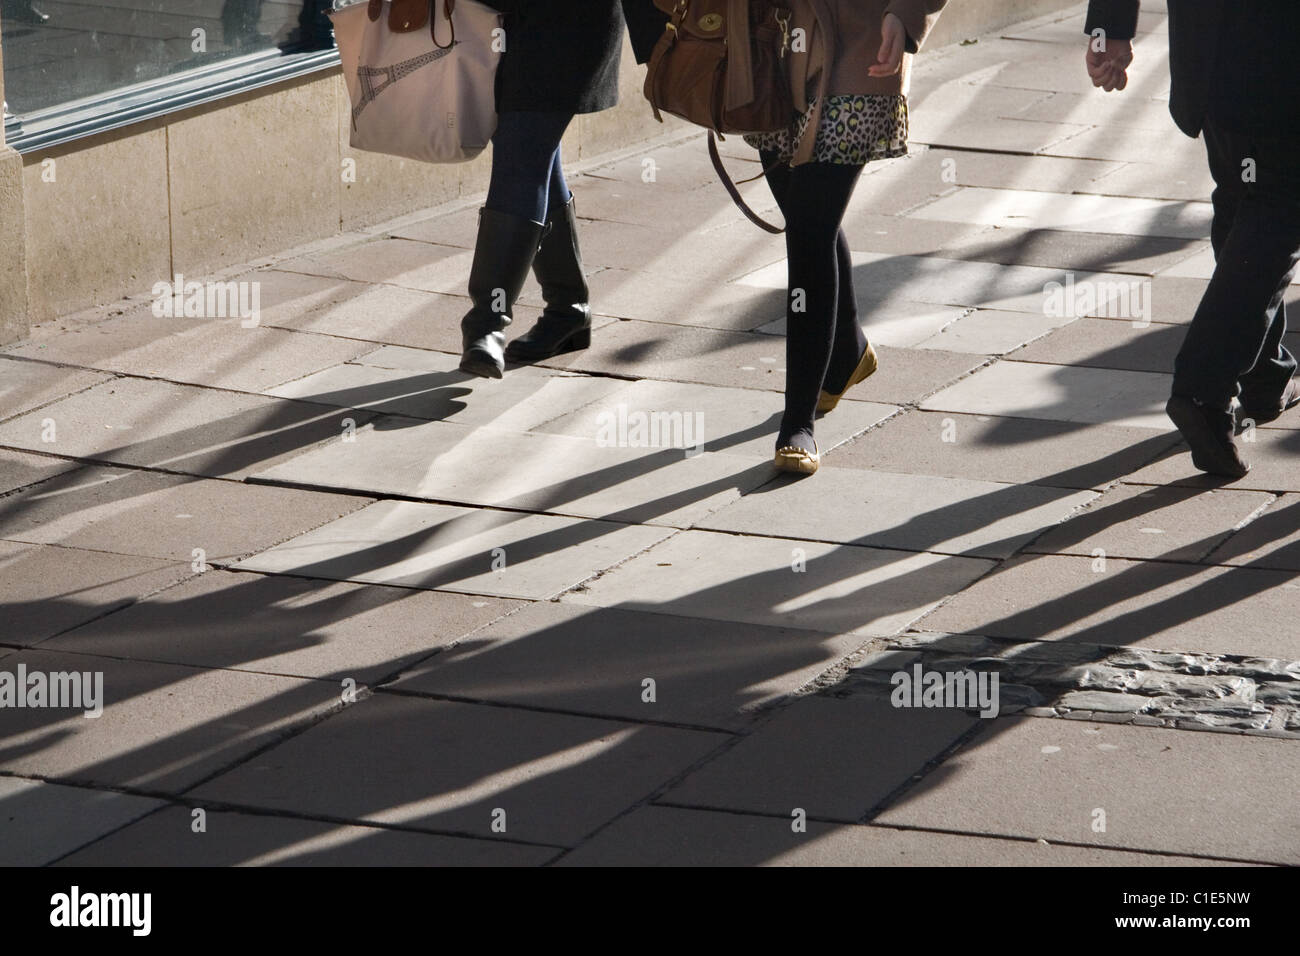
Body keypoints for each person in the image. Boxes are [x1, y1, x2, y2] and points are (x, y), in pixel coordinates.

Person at [1085, 0, 1300, 478]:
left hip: (1213, 57)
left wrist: (1109, 29)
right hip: (1280, 56)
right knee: (1277, 210)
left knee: (1244, 200)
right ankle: (1204, 389)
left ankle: (1265, 374)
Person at [745, 0, 947, 474]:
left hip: (860, 50)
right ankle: (846, 353)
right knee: (809, 221)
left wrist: (909, 12)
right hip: (773, 46)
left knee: (809, 235)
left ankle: (798, 422)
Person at [459, 1, 666, 379]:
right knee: (530, 155)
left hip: (570, 26)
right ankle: (568, 311)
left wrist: (661, 40)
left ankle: (486, 323)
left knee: (523, 153)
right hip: (496, 24)